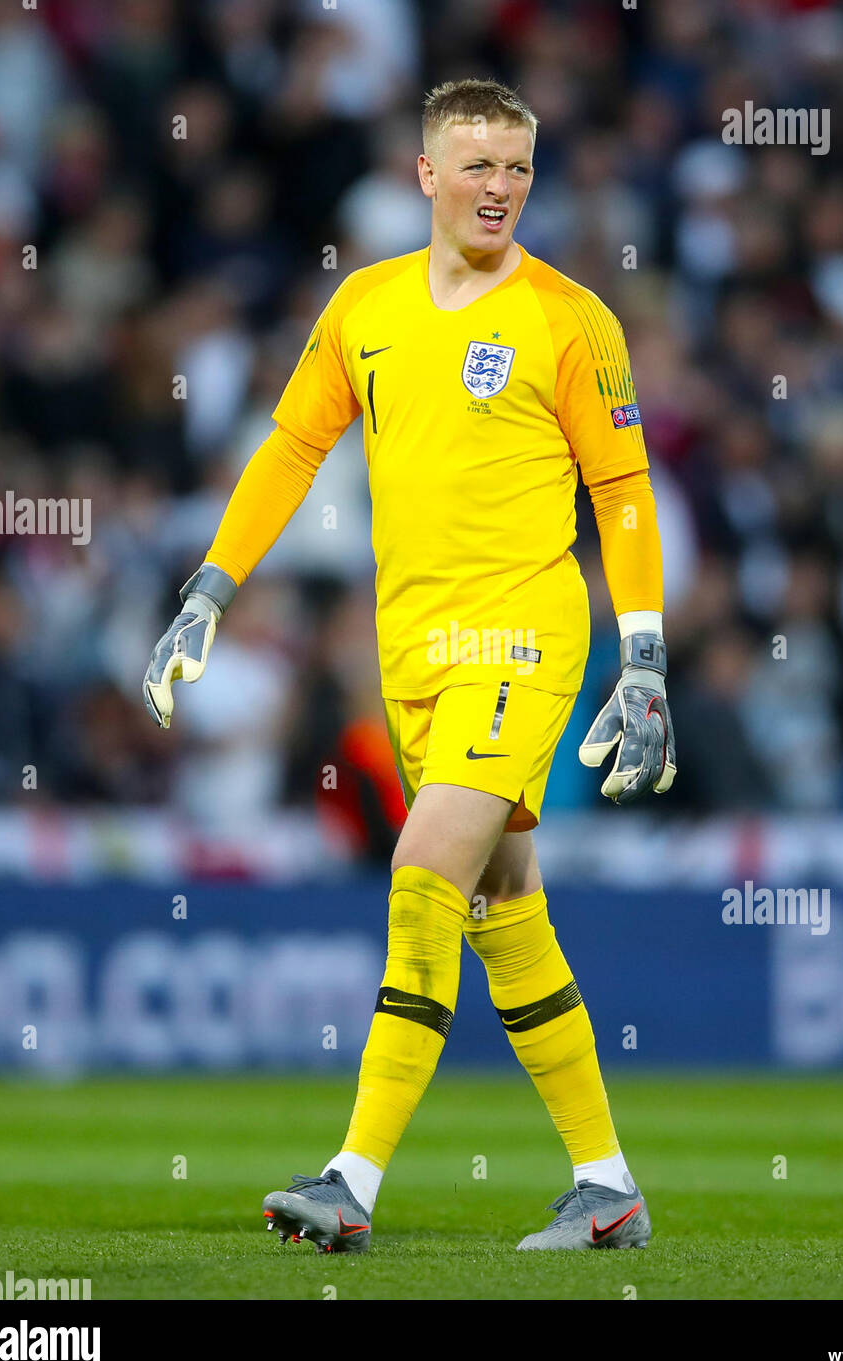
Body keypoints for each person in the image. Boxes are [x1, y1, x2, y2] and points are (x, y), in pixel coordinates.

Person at [143, 78, 675, 1253]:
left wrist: (642, 654)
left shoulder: (569, 318)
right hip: (414, 648)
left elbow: (623, 494)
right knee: (502, 907)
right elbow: (290, 445)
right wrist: (212, 585)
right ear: (424, 173)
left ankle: (352, 1177)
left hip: (526, 632)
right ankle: (607, 1185)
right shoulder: (366, 307)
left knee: (421, 866)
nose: (498, 188)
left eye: (517, 169)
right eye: (476, 165)